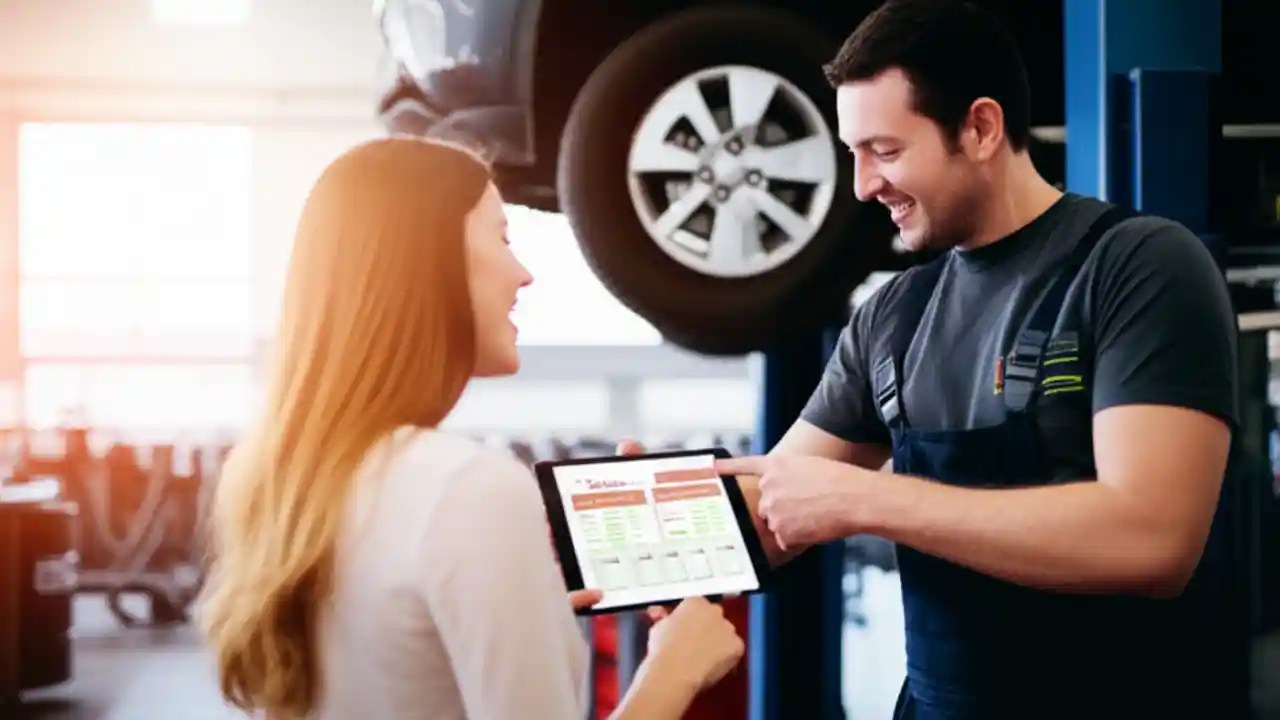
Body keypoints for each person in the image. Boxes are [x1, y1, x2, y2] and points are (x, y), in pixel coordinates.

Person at [634, 1, 1242, 718]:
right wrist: (641, 532)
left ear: (981, 128)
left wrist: (871, 500)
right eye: (853, 153)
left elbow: (1152, 539)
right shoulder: (894, 316)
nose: (862, 185)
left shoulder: (1137, 267)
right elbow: (778, 503)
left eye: (884, 152)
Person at [196, 137, 744, 720]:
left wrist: (517, 606)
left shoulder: (272, 473)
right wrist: (674, 669)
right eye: (503, 238)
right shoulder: (467, 487)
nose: (523, 275)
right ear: (429, 259)